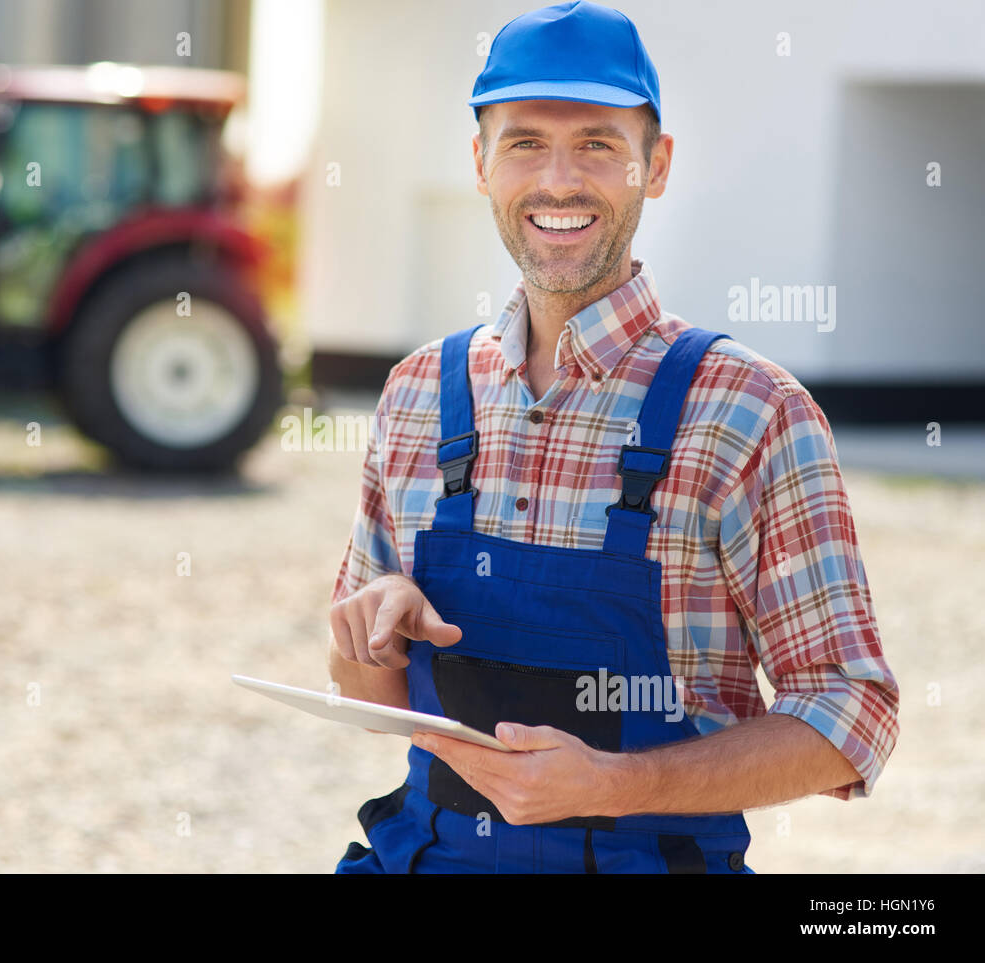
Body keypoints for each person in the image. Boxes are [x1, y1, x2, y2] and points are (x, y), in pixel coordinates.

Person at [326, 1, 899, 873]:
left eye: (597, 143)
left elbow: (851, 721)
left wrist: (614, 782)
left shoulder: (748, 411)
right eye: (524, 142)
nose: (559, 180)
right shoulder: (416, 394)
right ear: (480, 164)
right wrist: (363, 635)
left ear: (655, 166)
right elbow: (374, 697)